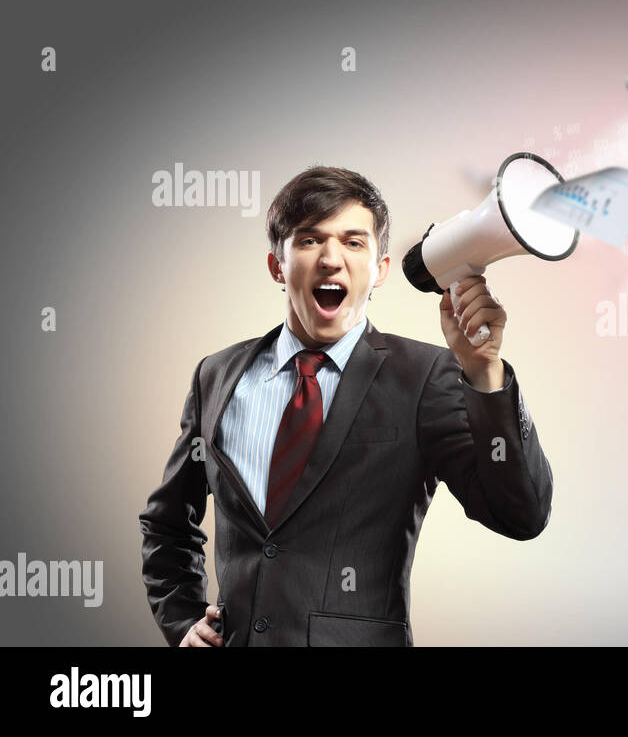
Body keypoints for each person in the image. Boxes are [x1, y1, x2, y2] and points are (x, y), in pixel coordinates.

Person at [139, 166, 553, 646]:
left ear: (380, 268)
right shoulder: (216, 376)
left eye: (354, 242)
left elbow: (521, 515)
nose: (331, 259)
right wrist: (183, 619)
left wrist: (485, 375)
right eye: (310, 240)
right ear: (277, 265)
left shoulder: (426, 377)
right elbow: (168, 523)